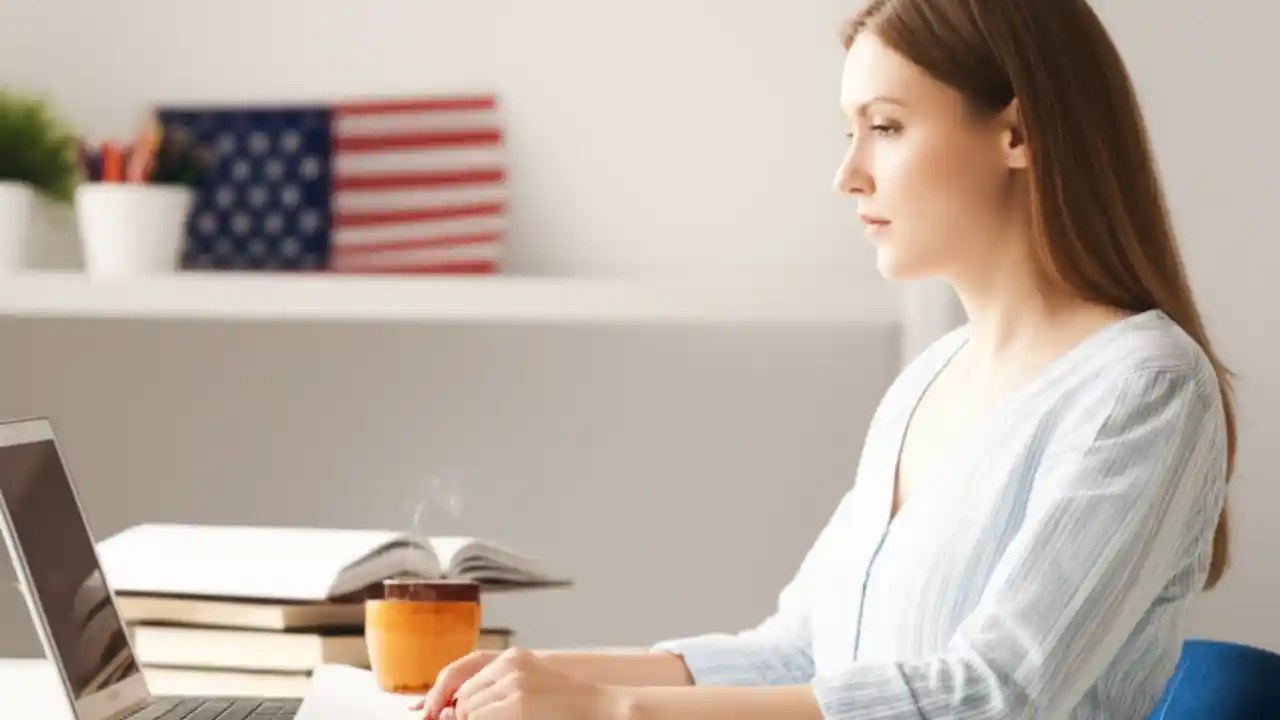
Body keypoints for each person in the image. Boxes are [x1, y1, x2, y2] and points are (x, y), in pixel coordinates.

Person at [414, 0, 1236, 717]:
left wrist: (610, 711)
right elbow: (803, 652)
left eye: (886, 127)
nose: (848, 174)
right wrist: (542, 674)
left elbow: (995, 695)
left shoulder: (1144, 388)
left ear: (1017, 133)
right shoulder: (927, 382)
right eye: (851, 132)